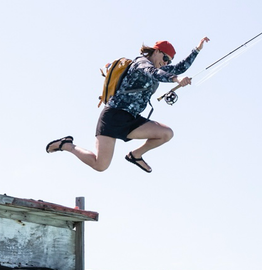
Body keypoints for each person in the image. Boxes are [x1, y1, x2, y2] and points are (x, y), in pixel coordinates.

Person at [46, 37, 209, 173]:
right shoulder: (141, 63)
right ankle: (66, 145)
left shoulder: (159, 66)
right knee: (100, 165)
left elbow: (178, 68)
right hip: (113, 116)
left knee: (166, 133)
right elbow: (154, 73)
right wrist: (175, 79)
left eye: (169, 62)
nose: (165, 63)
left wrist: (196, 50)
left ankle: (135, 155)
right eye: (165, 59)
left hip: (132, 119)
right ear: (157, 51)